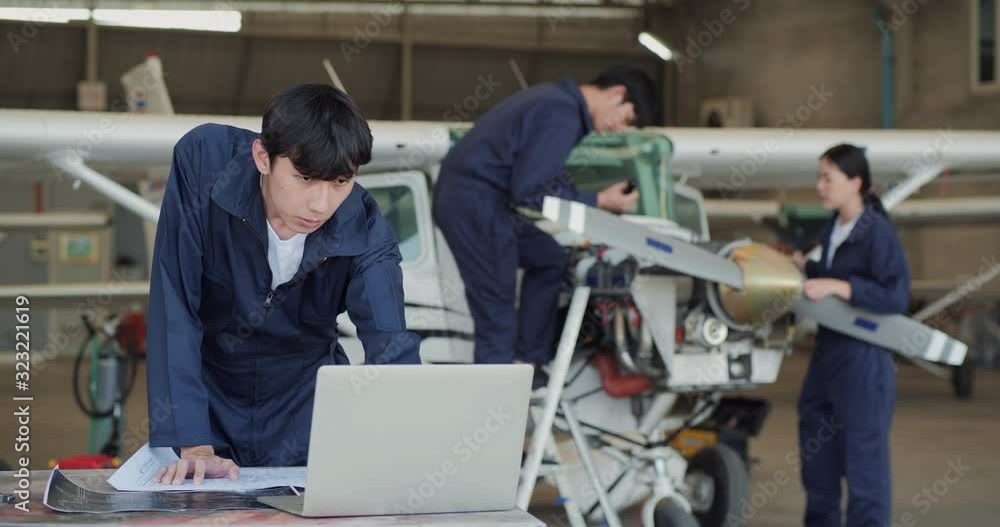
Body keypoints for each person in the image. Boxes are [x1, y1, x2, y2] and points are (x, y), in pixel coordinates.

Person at [145, 84, 420, 485]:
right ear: (263, 157)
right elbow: (175, 307)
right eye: (305, 178)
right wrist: (193, 440)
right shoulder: (204, 165)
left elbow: (389, 343)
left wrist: (413, 448)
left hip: (306, 411)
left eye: (341, 182)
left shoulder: (365, 229)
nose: (321, 205)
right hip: (207, 400)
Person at [432, 66, 657, 382]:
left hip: (485, 201)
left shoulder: (555, 102)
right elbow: (533, 189)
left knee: (549, 259)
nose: (620, 128)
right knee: (497, 320)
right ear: (617, 93)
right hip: (476, 204)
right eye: (627, 118)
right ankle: (495, 412)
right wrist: (601, 201)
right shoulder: (561, 112)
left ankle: (530, 361)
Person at [792, 143, 910, 526]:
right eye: (818, 177)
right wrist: (801, 267)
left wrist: (842, 288)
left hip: (863, 359)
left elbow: (896, 295)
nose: (820, 186)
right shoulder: (833, 229)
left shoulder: (876, 233)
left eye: (828, 177)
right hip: (827, 355)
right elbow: (826, 278)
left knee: (864, 471)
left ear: (856, 182)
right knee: (818, 465)